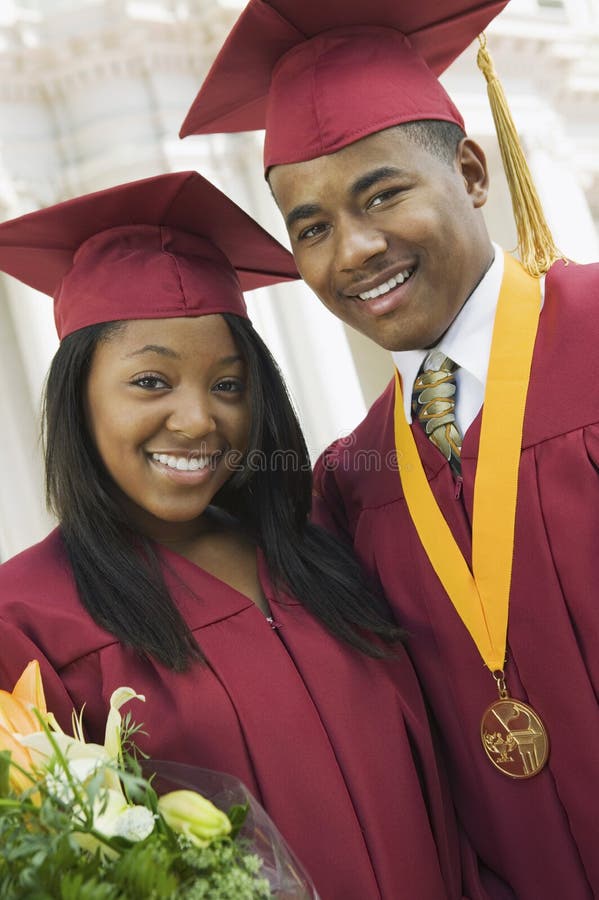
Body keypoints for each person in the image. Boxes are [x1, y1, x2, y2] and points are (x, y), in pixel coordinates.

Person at [178, 2, 599, 899]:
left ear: (472, 173)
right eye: (311, 227)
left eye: (381, 194)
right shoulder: (353, 481)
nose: (355, 249)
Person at [0, 170, 487, 900]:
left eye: (228, 385)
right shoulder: (29, 621)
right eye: (151, 382)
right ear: (79, 398)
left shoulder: (323, 547)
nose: (199, 420)